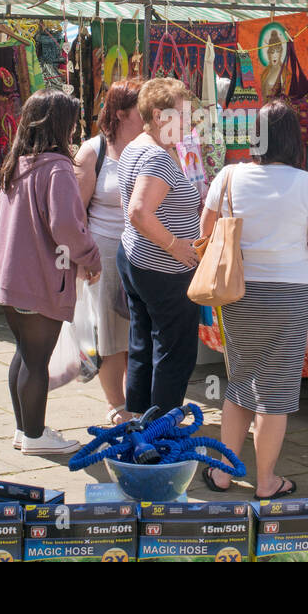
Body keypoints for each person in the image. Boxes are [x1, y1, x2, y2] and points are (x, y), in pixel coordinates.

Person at [200, 101, 308, 499]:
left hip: (238, 292)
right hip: (288, 293)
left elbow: (205, 232)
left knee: (239, 380)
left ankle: (224, 473)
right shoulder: (306, 184)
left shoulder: (228, 177)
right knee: (274, 391)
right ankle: (266, 481)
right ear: (293, 139)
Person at [0, 90, 101, 456]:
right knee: (35, 360)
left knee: (25, 355)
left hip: (9, 277)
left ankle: (26, 431)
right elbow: (66, 226)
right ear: (60, 124)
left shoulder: (17, 163)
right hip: (39, 278)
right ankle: (34, 436)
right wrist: (91, 257)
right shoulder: (57, 169)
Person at [116, 77, 203, 415]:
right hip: (161, 267)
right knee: (175, 348)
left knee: (143, 340)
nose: (189, 123)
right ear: (158, 114)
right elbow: (138, 211)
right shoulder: (157, 157)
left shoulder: (139, 145)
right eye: (182, 116)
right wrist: (174, 245)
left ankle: (139, 413)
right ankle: (162, 423)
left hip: (138, 259)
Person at [74, 80, 144, 426]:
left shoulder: (151, 148)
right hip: (104, 252)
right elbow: (76, 211)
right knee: (112, 334)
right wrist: (82, 259)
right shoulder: (93, 151)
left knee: (139, 331)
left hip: (145, 252)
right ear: (120, 114)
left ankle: (140, 401)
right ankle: (117, 405)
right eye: (140, 109)